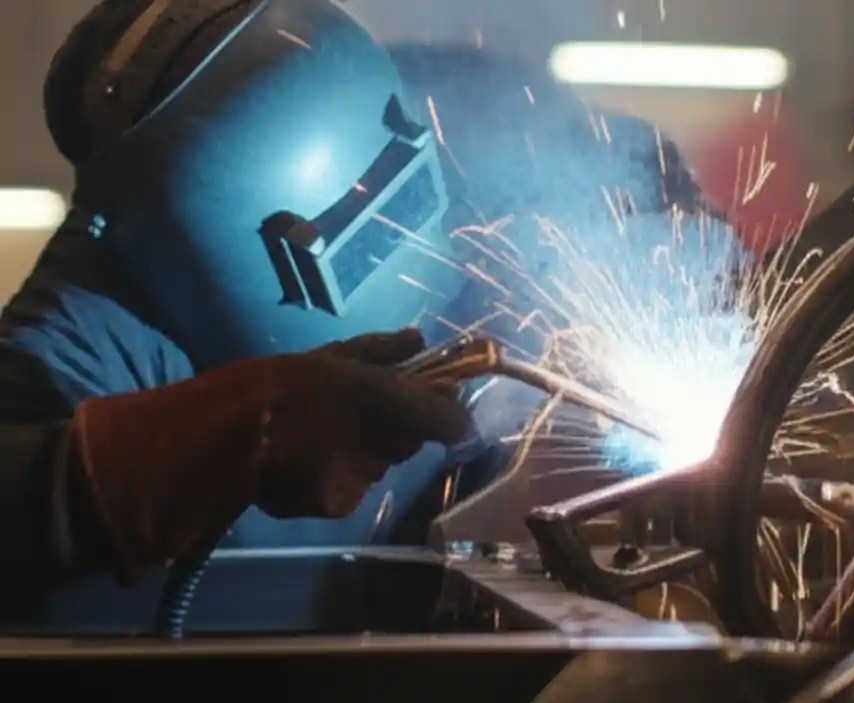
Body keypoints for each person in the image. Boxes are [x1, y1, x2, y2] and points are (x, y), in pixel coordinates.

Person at [0, 0, 730, 629]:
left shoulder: (458, 109)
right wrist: (237, 434)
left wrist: (698, 303)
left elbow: (640, 186)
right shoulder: (69, 350)